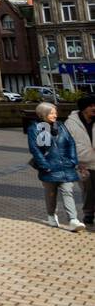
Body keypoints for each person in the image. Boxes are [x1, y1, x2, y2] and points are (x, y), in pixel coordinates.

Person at [28, 101, 83, 231]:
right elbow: (35, 149)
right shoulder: (35, 128)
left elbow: (71, 143)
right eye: (51, 113)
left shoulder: (61, 126)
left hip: (66, 166)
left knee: (68, 192)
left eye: (55, 112)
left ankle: (73, 220)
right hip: (49, 168)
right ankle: (51, 215)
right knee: (51, 194)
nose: (55, 115)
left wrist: (73, 160)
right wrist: (45, 165)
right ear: (43, 114)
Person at [64, 94, 95, 226]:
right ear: (83, 108)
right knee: (88, 190)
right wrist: (74, 162)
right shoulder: (70, 123)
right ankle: (88, 213)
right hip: (82, 164)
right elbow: (66, 144)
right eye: (91, 106)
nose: (94, 108)